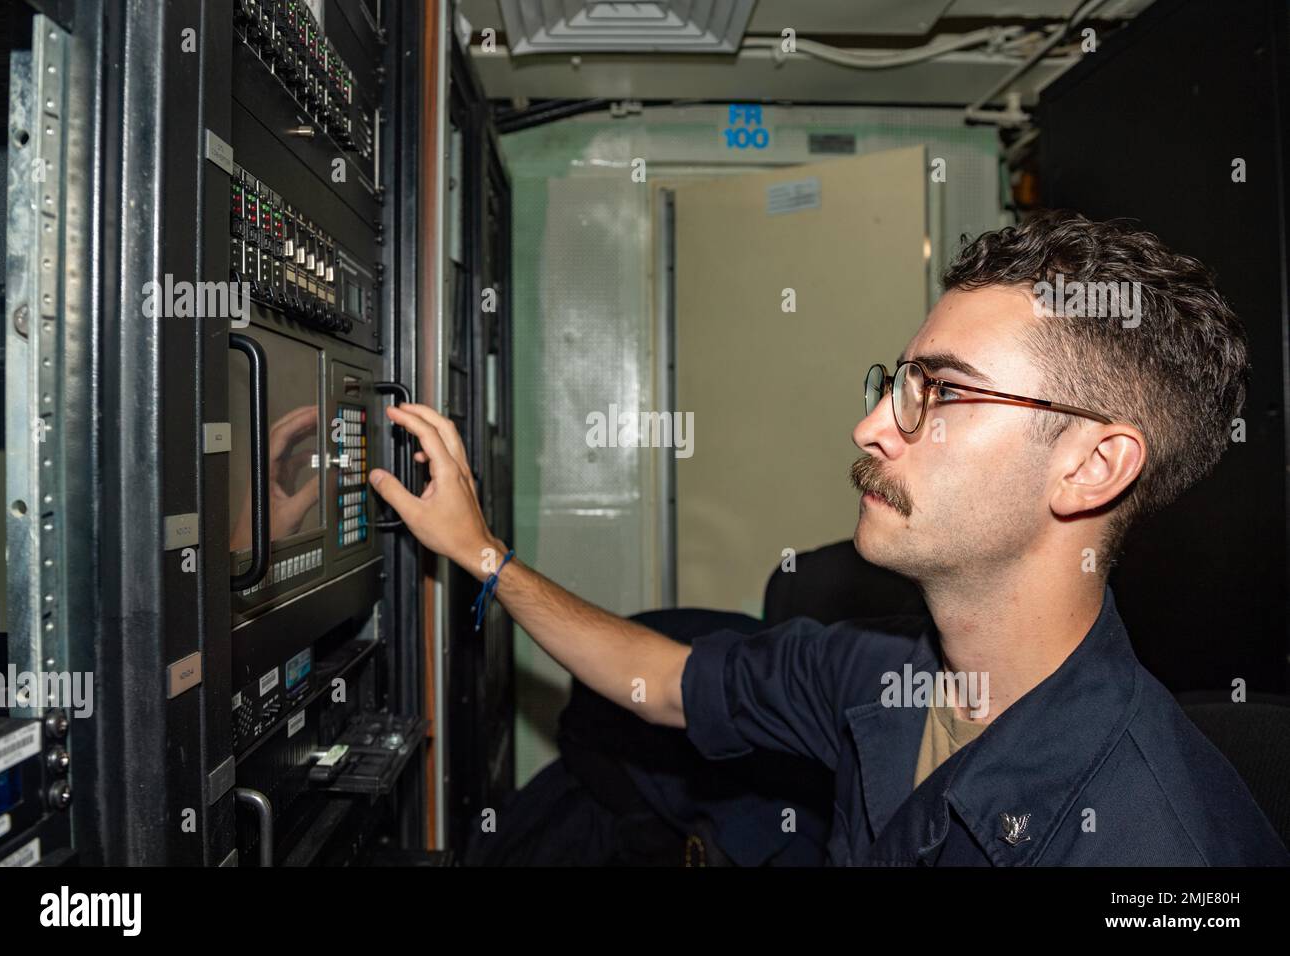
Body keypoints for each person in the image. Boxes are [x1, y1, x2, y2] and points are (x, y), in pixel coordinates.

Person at [369, 210, 1289, 866]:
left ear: (1092, 467)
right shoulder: (884, 675)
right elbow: (664, 682)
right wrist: (481, 553)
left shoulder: (1158, 842)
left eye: (943, 391)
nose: (871, 427)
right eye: (899, 383)